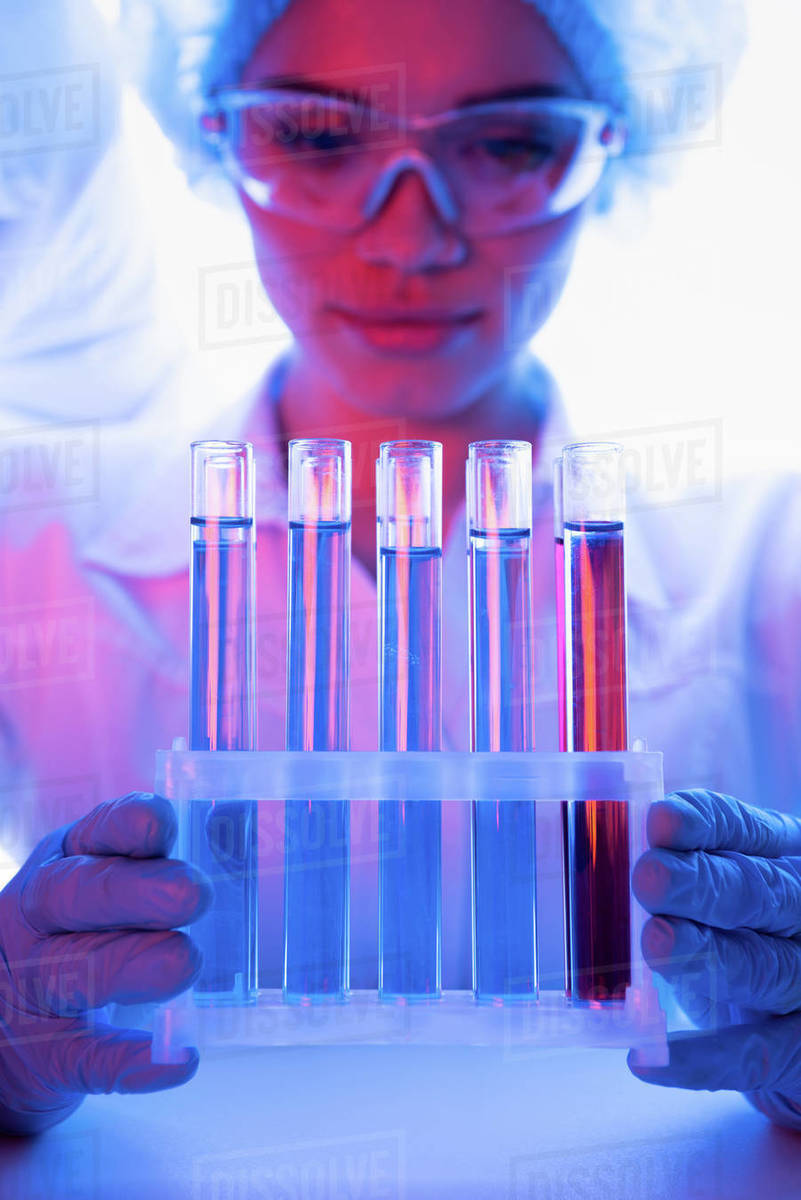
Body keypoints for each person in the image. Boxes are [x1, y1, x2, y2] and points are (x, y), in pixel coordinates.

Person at [2, 0, 800, 1138]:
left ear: (608, 147)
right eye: (319, 140)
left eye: (511, 140)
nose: (411, 238)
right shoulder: (32, 555)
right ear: (217, 137)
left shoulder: (771, 565)